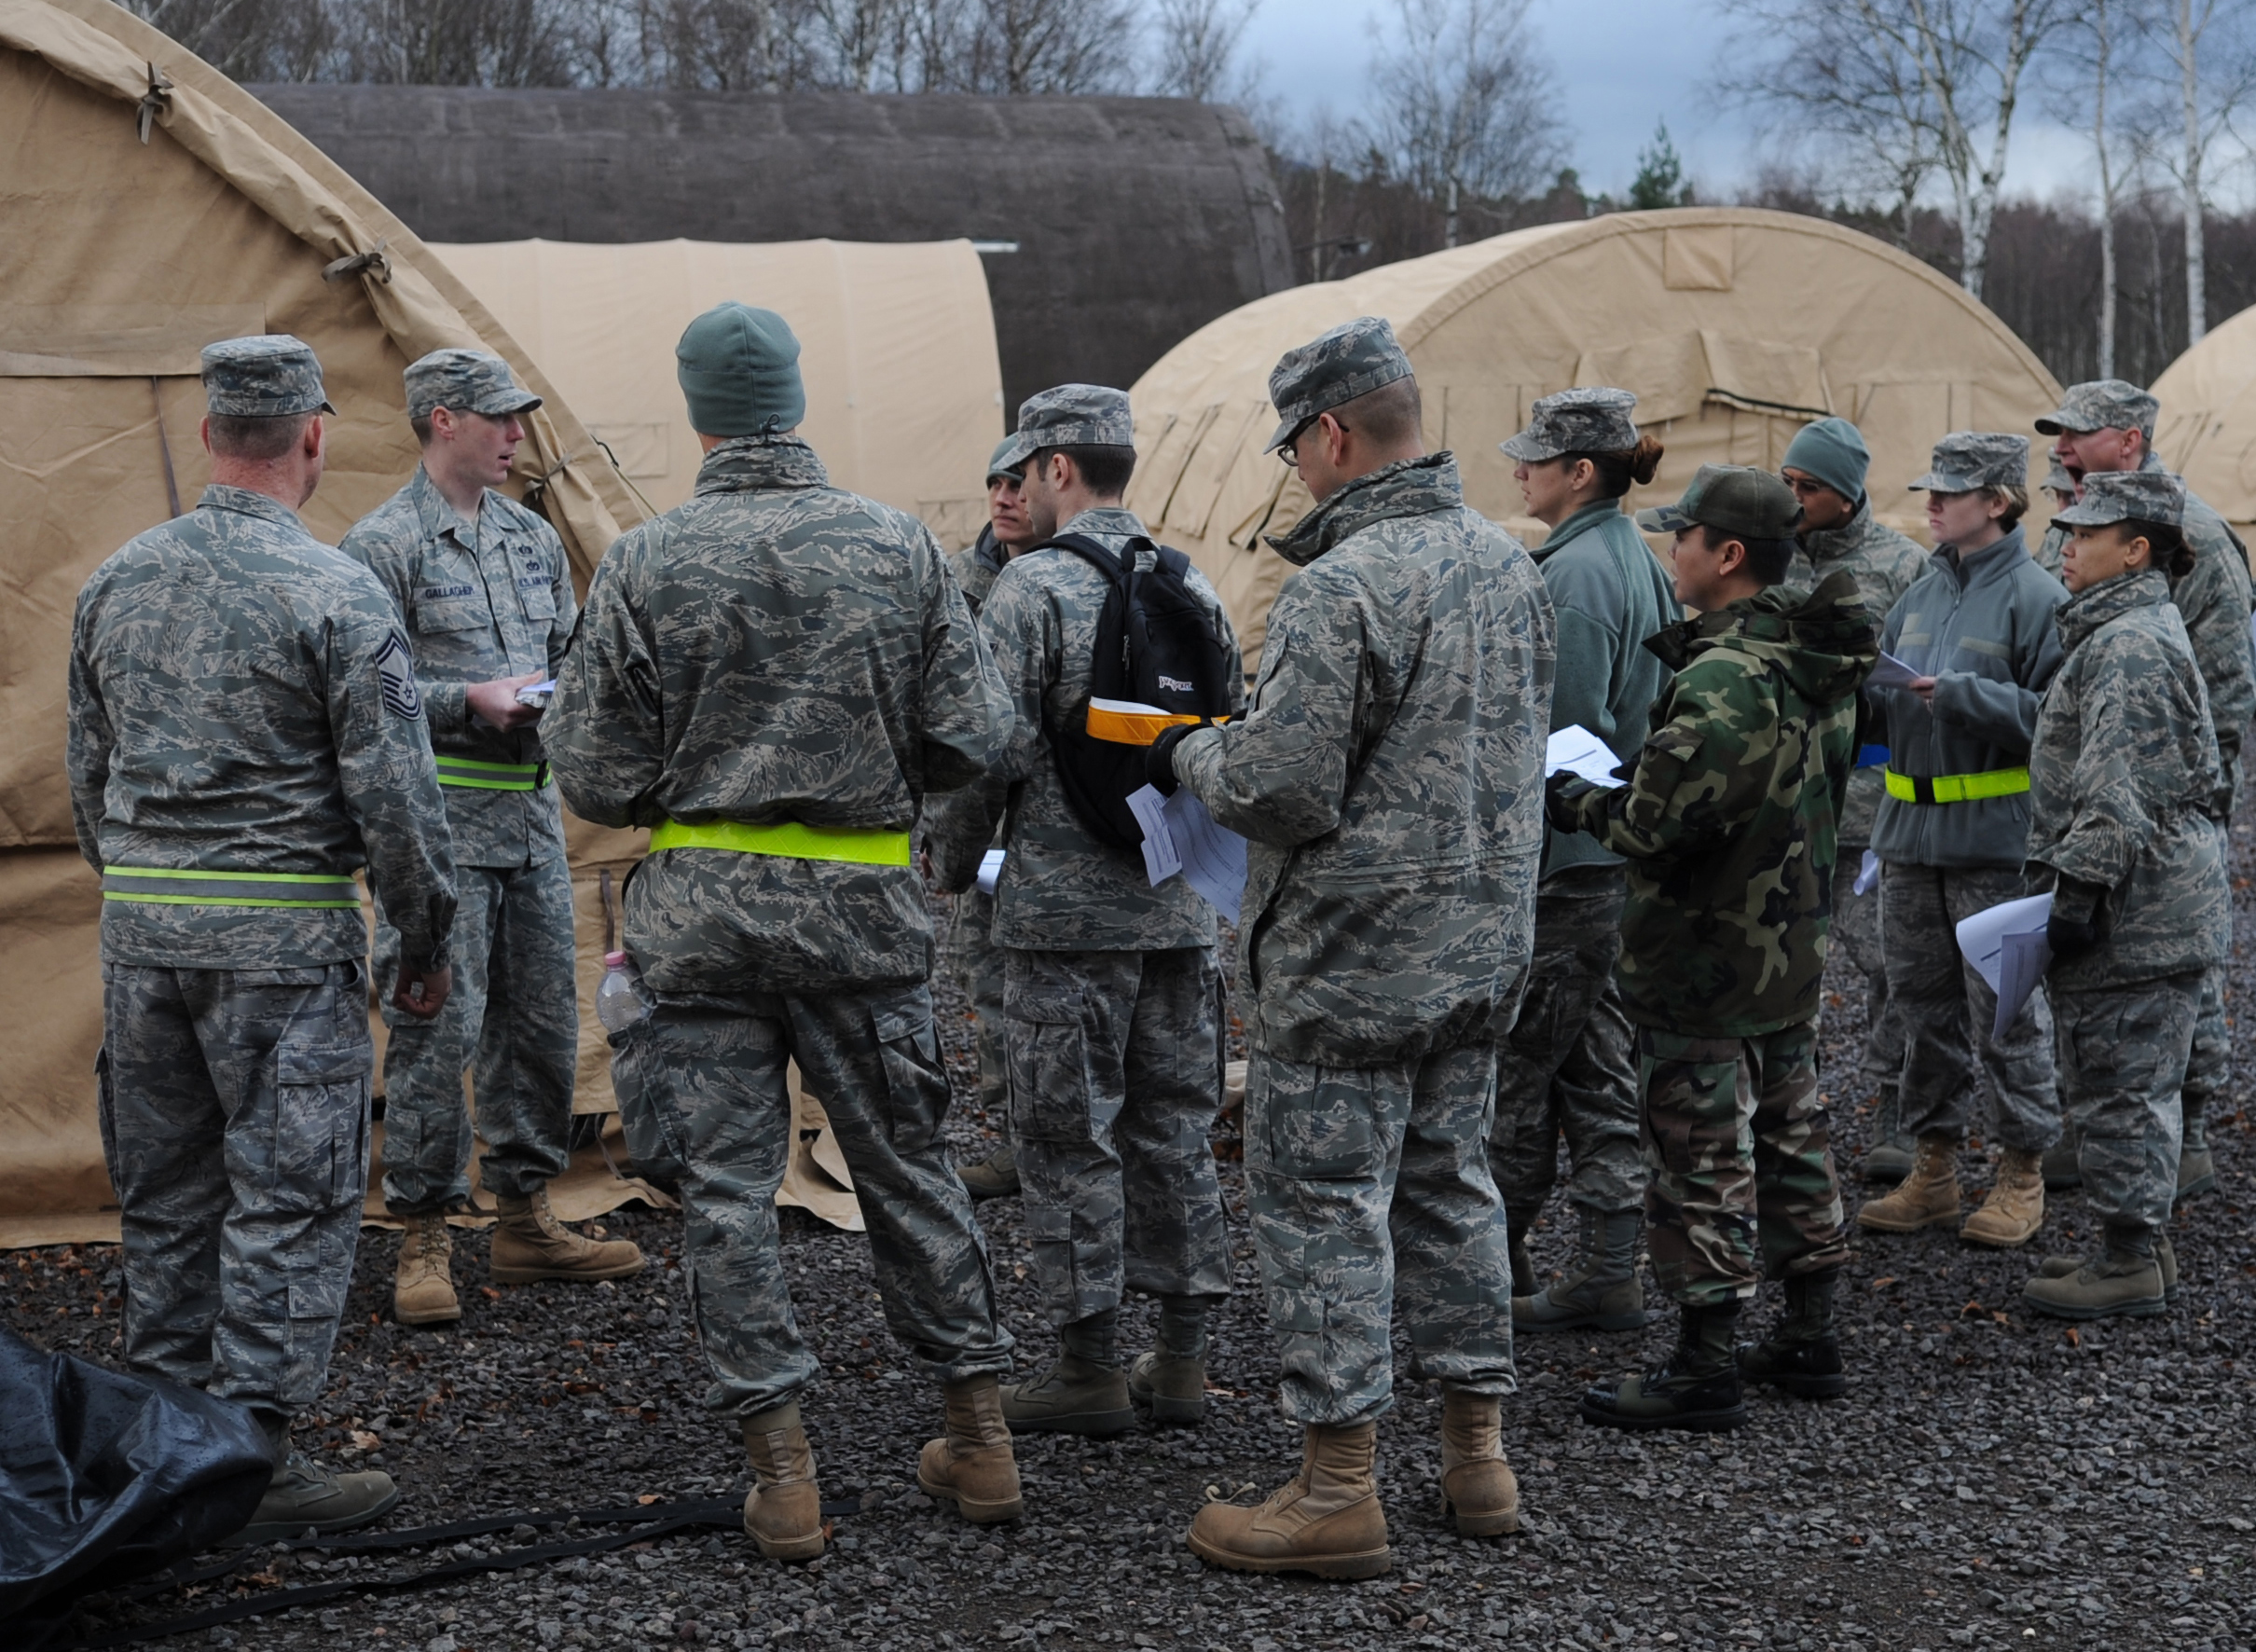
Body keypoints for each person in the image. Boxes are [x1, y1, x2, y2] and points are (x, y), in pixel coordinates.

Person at [547, 303, 1023, 1560]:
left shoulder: (648, 563)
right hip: (863, 918)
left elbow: (592, 773)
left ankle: (786, 1476)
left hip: (701, 925)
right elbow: (976, 734)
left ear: (701, 410)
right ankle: (979, 1443)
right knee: (910, 1172)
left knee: (725, 1195)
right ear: (796, 400)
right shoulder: (897, 548)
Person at [1155, 316, 1553, 1576]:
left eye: (1298, 448)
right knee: (1455, 1189)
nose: (1298, 472)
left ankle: (1337, 1488)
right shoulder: (1511, 566)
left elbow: (1283, 786)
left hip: (1345, 967)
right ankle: (1478, 1459)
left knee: (1324, 1208)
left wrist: (1186, 749)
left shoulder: (1341, 585)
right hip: (1476, 955)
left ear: (1331, 434)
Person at [67, 336, 459, 1539]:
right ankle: (250, 1459)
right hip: (283, 950)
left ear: (206, 437)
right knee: (289, 1194)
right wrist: (423, 942)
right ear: (316, 438)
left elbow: (88, 777)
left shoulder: (116, 581)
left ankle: (161, 1438)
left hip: (143, 941)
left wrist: (147, 892)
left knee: (169, 1190)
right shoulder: (338, 594)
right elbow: (397, 798)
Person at [927, 386, 1238, 1438]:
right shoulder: (1194, 585)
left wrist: (953, 858)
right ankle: (1183, 1361)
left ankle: (1086, 1366)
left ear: (1058, 467)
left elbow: (986, 754)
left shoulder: (1031, 591)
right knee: (1176, 1130)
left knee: (1066, 1138)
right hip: (1180, 906)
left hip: (1062, 918)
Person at [1549, 465, 1875, 1431]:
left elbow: (1655, 822)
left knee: (1697, 1150)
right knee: (1790, 1128)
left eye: (1682, 537)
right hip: (1785, 945)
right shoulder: (1808, 658)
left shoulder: (1724, 674)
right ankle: (1808, 1330)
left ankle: (1703, 1357)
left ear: (1726, 555)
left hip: (1702, 955)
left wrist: (1570, 795)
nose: (1671, 553)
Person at [341, 349, 644, 1328]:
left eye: (518, 419)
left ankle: (523, 1213)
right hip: (437, 835)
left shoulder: (529, 540)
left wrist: (569, 697)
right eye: (498, 419)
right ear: (440, 420)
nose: (516, 436)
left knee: (541, 1028)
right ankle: (422, 1227)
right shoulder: (382, 546)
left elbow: (566, 657)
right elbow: (365, 698)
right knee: (436, 1030)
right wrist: (464, 699)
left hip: (530, 823)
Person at [2029, 381, 2251, 1206]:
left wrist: (2195, 797)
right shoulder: (2093, 528)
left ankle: (2181, 1138)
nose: (2061, 449)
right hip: (2126, 791)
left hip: (2161, 807)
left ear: (2127, 442)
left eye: (2078, 437)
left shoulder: (2185, 536)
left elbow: (2224, 679)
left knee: (2166, 984)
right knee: (2119, 1010)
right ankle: (2115, 1139)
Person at [2020, 471, 2227, 1319]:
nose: (2067, 547)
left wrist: (2075, 897)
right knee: (2132, 1075)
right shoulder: (2125, 630)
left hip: (2136, 910)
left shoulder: (2128, 642)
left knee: (2119, 1079)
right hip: (2154, 903)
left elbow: (2116, 792)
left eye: (2086, 535)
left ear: (2135, 550)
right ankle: (2144, 1246)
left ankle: (2128, 1259)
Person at [1492, 388, 1675, 1334]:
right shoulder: (1622, 557)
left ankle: (1483, 1270)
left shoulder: (1576, 576)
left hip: (1563, 863)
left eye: (1532, 456)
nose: (1515, 468)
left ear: (1579, 472)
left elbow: (1559, 730)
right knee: (1596, 1066)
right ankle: (1606, 1263)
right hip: (1603, 862)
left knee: (1514, 1078)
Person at [1856, 434, 2067, 1250]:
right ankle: (1935, 1166)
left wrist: (1967, 696)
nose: (1933, 502)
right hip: (1908, 837)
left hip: (1994, 843)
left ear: (2001, 502)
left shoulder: (2039, 597)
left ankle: (2022, 1172)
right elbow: (1888, 711)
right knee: (1921, 1011)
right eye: (1931, 490)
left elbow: (2058, 722)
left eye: (1952, 491)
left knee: (2008, 1012)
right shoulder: (1916, 593)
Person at [1778, 418, 1932, 1184]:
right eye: (1789, 485)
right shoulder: (1771, 561)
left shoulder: (1904, 567)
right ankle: (1786, 1106)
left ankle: (1897, 1111)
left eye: (1810, 488)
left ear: (1848, 492)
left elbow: (1918, 685)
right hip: (1785, 803)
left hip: (1868, 804)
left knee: (1889, 967)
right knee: (1781, 964)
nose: (1796, 499)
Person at [950, 441, 1042, 1203]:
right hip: (984, 825)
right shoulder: (958, 583)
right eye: (993, 484)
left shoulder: (1081, 578)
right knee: (991, 985)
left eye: (1018, 483)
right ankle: (1014, 1139)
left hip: (1058, 821)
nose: (1003, 497)